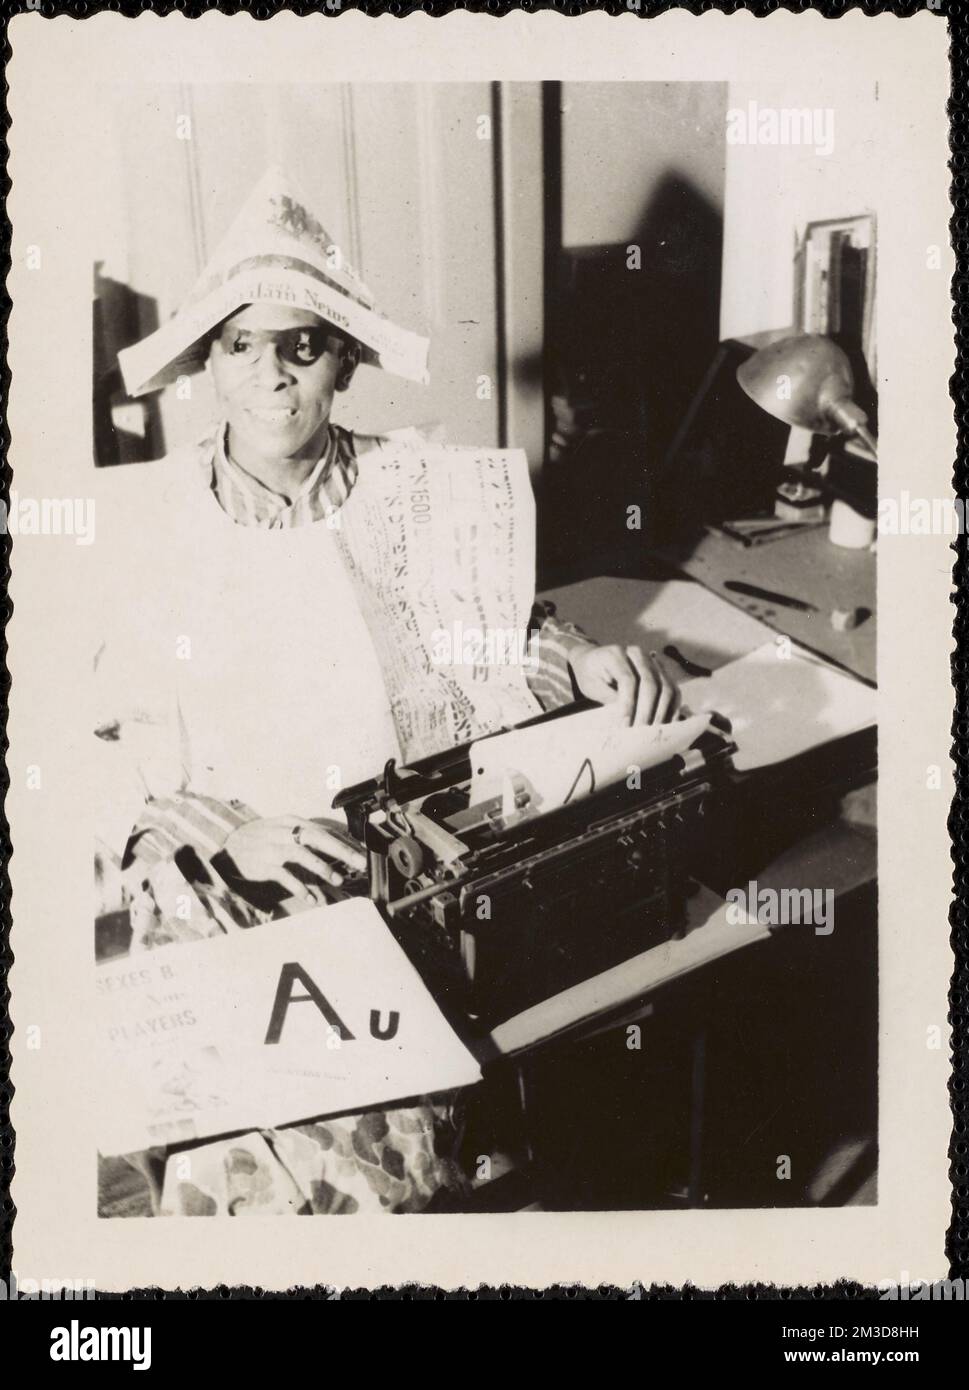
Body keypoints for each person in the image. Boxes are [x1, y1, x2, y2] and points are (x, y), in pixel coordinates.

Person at [95, 167, 680, 1217]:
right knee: (230, 1159)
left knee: (378, 1164)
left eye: (303, 346)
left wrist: (582, 657)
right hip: (223, 873)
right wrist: (225, 838)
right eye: (243, 346)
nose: (274, 377)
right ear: (208, 365)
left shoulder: (420, 488)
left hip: (391, 868)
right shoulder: (149, 529)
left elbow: (492, 627)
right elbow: (105, 752)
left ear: (346, 362)